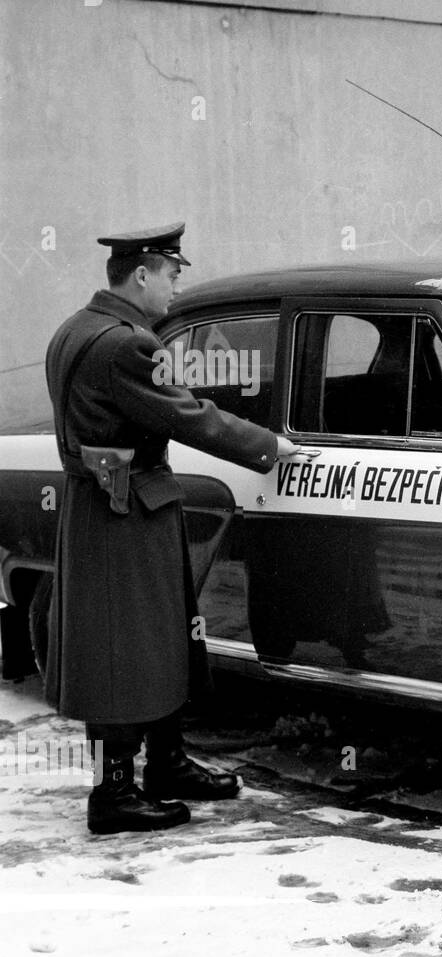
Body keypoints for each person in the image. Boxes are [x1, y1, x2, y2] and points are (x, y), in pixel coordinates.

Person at [44, 222, 299, 834]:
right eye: (171, 274)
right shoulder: (126, 346)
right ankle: (113, 796)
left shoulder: (73, 329)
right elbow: (189, 417)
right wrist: (271, 446)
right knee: (121, 653)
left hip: (116, 508)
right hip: (123, 514)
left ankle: (166, 763)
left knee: (158, 641)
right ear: (141, 275)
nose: (175, 287)